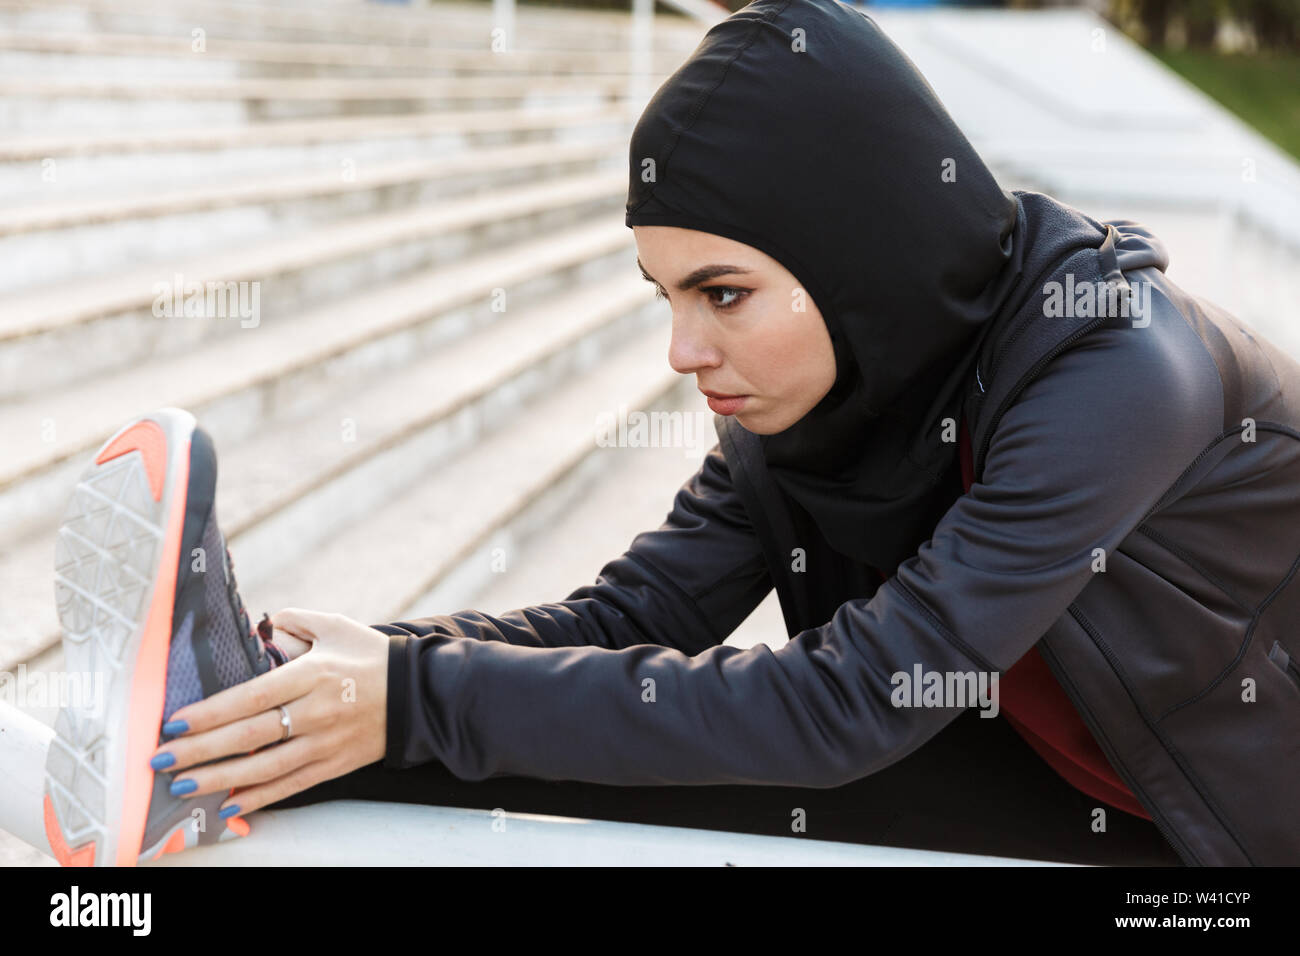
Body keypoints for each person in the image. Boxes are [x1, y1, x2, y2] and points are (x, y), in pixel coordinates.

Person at [42, 0, 1299, 867]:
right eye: (667, 296)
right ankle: (224, 726)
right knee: (570, 725)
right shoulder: (817, 392)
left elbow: (850, 700)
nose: (685, 351)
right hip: (1048, 762)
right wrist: (381, 661)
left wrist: (418, 689)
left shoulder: (1120, 371)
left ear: (857, 252)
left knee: (594, 723)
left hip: (1216, 823)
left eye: (724, 292)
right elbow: (623, 622)